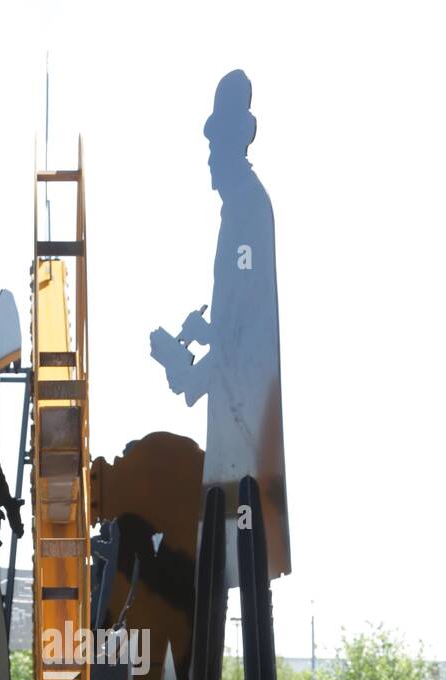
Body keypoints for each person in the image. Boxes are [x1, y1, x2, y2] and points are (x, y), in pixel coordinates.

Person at [150, 69, 290, 588]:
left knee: (231, 551)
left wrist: (184, 364)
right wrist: (200, 344)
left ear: (231, 149)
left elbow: (240, 325)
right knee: (228, 550)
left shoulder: (247, 210)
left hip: (244, 414)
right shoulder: (243, 212)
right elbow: (235, 319)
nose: (208, 163)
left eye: (213, 151)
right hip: (240, 407)